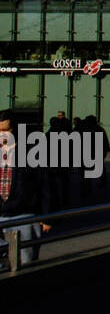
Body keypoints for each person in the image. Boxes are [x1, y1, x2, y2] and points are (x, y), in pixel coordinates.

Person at [0, 110, 51, 267]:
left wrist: (47, 217)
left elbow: (45, 185)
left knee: (25, 262)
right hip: (1, 213)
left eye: (6, 130)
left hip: (24, 215)